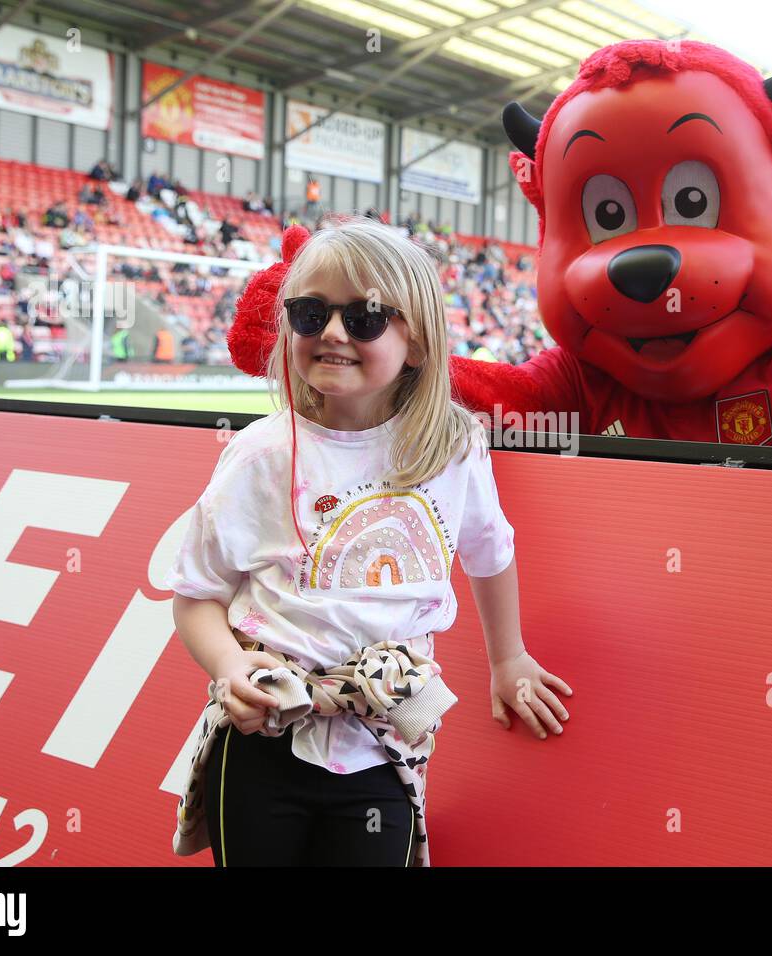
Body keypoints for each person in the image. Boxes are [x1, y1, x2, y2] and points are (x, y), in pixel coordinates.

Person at [164, 215, 571, 867]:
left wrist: (509, 658)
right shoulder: (259, 455)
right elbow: (196, 596)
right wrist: (229, 667)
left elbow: (490, 551)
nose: (330, 332)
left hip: (385, 744)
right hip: (264, 740)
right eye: (310, 311)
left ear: (417, 344)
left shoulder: (455, 446)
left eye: (365, 316)